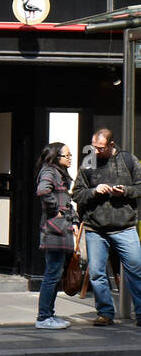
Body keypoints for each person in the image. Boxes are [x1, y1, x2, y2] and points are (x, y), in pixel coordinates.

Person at [70, 128, 141, 326]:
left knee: (136, 270)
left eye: (100, 148)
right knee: (97, 274)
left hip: (124, 226)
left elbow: (140, 186)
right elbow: (76, 194)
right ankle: (105, 313)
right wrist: (94, 191)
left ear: (111, 145)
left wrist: (125, 191)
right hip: (96, 228)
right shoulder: (89, 162)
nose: (96, 151)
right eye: (94, 147)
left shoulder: (128, 160)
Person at [34, 142, 76, 329]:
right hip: (54, 229)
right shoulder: (49, 171)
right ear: (56, 157)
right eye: (67, 155)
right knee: (52, 274)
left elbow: (66, 201)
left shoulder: (58, 173)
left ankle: (49, 314)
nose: (70, 158)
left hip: (60, 228)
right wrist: (55, 212)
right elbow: (43, 190)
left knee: (55, 273)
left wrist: (73, 220)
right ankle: (43, 318)